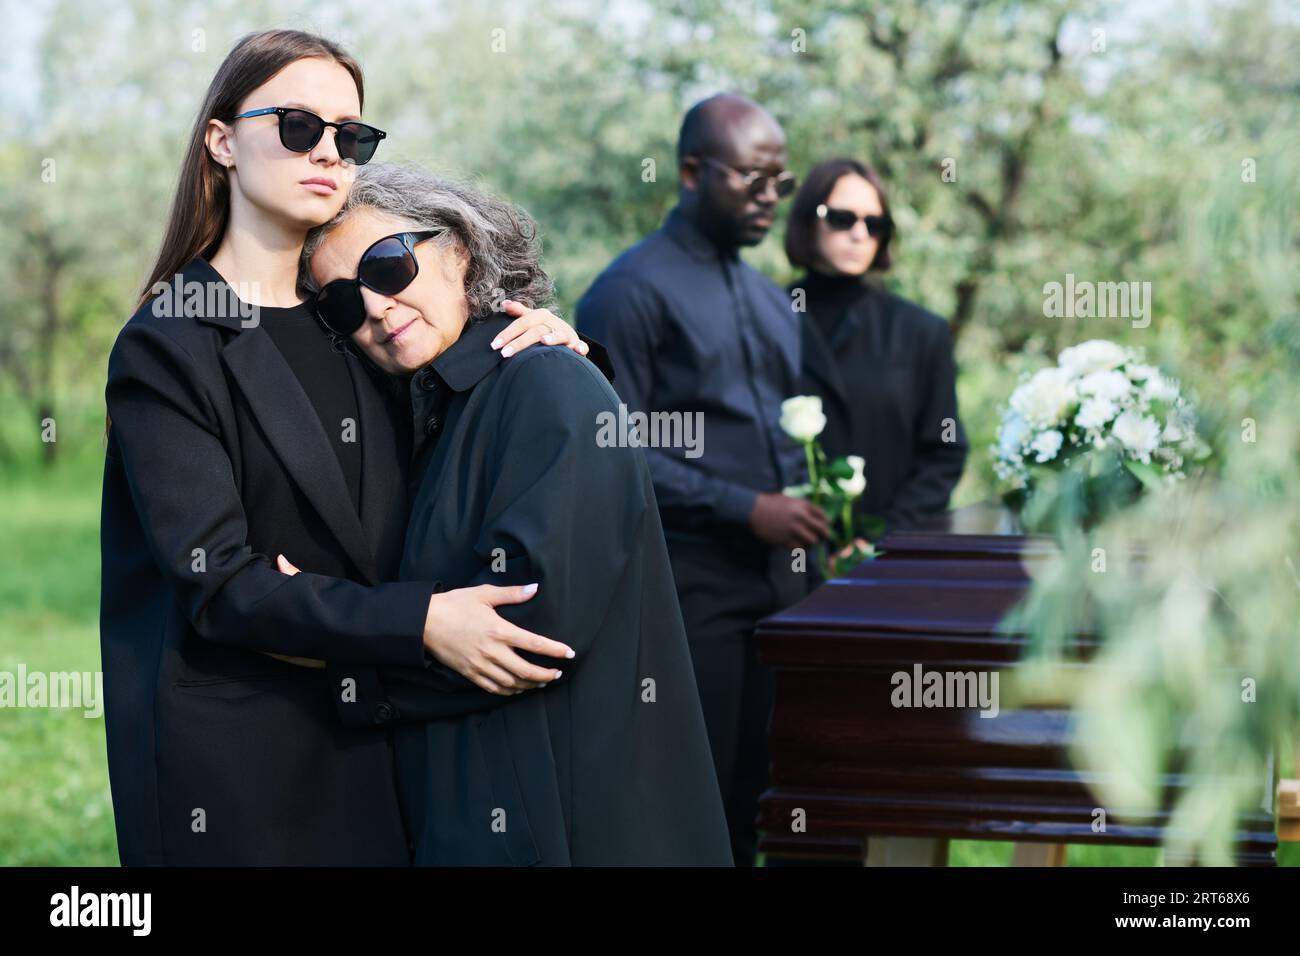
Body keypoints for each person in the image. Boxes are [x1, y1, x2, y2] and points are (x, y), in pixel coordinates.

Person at [101, 29, 596, 865]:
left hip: (389, 741)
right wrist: (423, 622)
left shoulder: (355, 318)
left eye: (350, 135)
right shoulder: (168, 341)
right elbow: (220, 585)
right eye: (298, 126)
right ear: (221, 141)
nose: (328, 150)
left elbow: (464, 427)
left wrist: (548, 341)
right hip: (245, 765)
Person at [295, 163, 733, 865]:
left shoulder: (545, 381)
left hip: (566, 823)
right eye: (340, 303)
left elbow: (528, 631)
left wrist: (325, 640)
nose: (373, 306)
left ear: (458, 249)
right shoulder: (425, 413)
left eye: (386, 266)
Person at [576, 93, 827, 865]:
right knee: (692, 805)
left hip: (787, 590)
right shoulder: (629, 290)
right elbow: (609, 446)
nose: (768, 198)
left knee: (773, 794)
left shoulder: (769, 296)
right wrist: (745, 508)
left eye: (779, 182)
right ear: (691, 171)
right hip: (691, 592)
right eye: (751, 177)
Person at [785, 159, 967, 533]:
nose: (859, 234)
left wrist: (882, 542)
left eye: (874, 224)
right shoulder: (765, 317)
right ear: (808, 220)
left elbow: (943, 452)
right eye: (841, 218)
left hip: (887, 561)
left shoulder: (920, 331)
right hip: (780, 559)